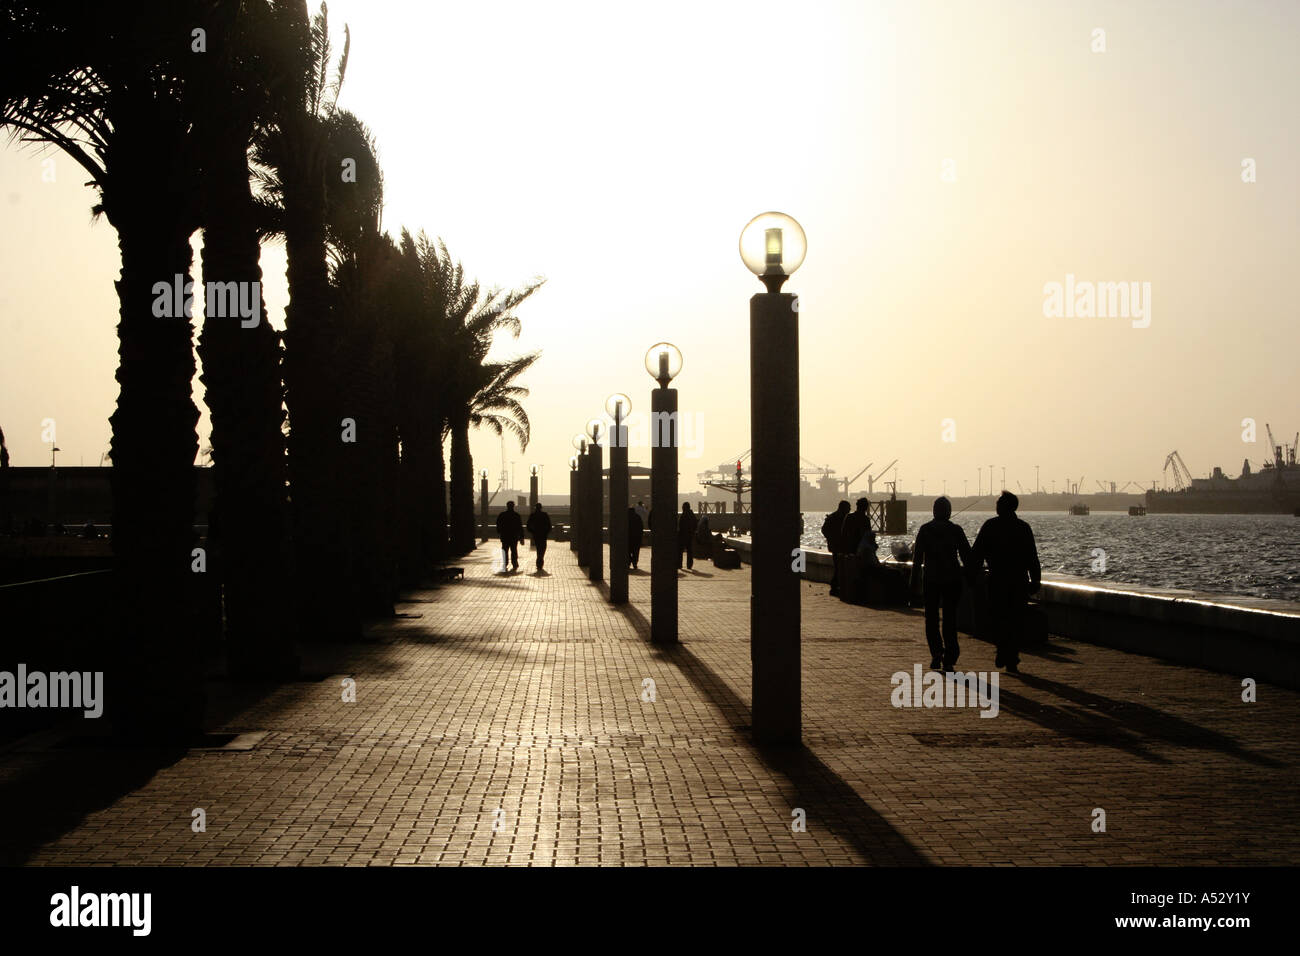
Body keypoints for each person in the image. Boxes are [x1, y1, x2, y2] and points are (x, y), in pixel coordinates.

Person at [970, 490, 1041, 674]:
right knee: (1015, 620)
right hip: (1018, 581)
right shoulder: (1023, 528)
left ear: (1004, 506)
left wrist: (971, 573)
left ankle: (1003, 650)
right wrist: (1035, 580)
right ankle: (1012, 656)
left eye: (999, 503)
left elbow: (977, 554)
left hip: (997, 580)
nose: (996, 506)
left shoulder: (990, 526)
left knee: (998, 617)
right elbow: (1032, 557)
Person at [911, 496, 973, 671]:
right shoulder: (956, 530)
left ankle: (936, 653)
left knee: (931, 619)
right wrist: (972, 577)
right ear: (949, 512)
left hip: (931, 580)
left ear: (934, 511)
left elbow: (916, 560)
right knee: (950, 619)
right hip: (952, 580)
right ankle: (950, 657)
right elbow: (967, 556)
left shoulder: (925, 530)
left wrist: (913, 584)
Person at [821, 500, 850, 596]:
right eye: (848, 508)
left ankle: (837, 587)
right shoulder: (834, 517)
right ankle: (834, 587)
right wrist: (832, 538)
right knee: (838, 567)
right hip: (837, 546)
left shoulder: (839, 517)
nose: (849, 510)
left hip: (839, 545)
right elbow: (824, 530)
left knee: (839, 567)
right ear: (843, 508)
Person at [495, 501, 524, 572]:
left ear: (507, 506)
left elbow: (498, 524)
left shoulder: (502, 515)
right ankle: (514, 563)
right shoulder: (516, 515)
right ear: (513, 506)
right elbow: (520, 527)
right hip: (514, 536)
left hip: (505, 536)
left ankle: (505, 563)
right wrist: (521, 537)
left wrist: (500, 532)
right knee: (514, 550)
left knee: (505, 550)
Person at [525, 501, 551, 573]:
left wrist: (532, 532)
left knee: (538, 548)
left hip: (536, 535)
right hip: (543, 535)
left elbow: (528, 525)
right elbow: (549, 525)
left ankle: (539, 562)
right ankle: (540, 561)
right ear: (541, 508)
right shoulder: (545, 515)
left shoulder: (533, 515)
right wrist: (546, 532)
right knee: (542, 548)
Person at [677, 502, 698, 569]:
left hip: (683, 535)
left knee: (680, 551)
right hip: (690, 535)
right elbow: (695, 525)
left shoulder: (684, 515)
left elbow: (681, 525)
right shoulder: (692, 515)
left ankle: (679, 564)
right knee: (689, 551)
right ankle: (689, 565)